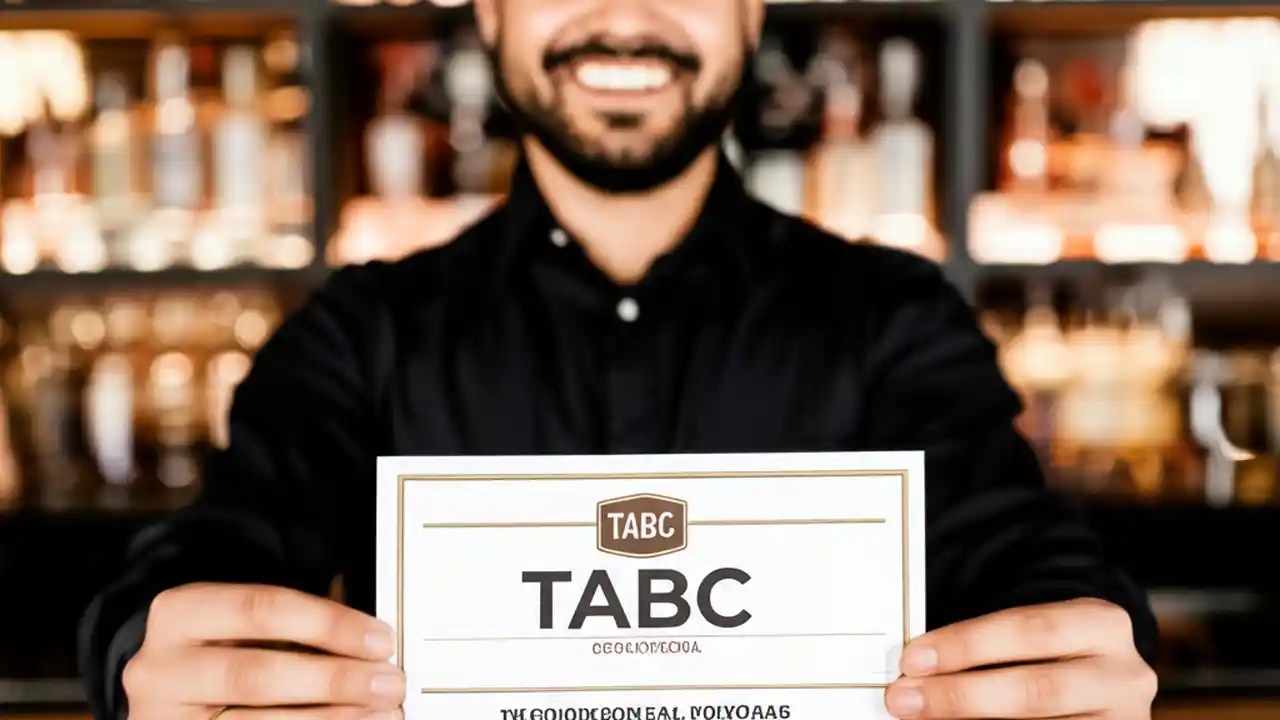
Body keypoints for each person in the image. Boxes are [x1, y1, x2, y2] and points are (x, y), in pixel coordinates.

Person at [80, 0, 1159, 718]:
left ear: (748, 10)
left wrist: (1077, 650)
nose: (624, 16)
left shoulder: (891, 316)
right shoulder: (361, 330)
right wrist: (151, 648)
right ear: (490, 8)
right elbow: (215, 550)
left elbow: (1012, 538)